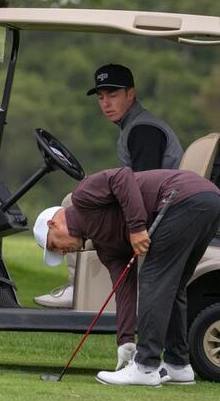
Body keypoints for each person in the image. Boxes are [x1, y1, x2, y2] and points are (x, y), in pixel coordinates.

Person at [35, 64, 182, 340]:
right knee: (81, 201)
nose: (106, 103)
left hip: (163, 210)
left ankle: (74, 286)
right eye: (101, 97)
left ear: (131, 94)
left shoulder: (143, 130)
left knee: (72, 202)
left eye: (112, 94)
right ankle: (77, 284)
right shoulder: (133, 127)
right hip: (162, 204)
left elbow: (143, 187)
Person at [34, 167, 220, 386]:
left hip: (182, 198)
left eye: (55, 246)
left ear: (53, 224)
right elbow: (124, 288)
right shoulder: (106, 248)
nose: (63, 252)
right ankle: (178, 364)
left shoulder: (82, 196)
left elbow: (122, 176)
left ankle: (146, 366)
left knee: (154, 280)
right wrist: (125, 341)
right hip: (208, 200)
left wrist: (136, 227)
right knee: (173, 285)